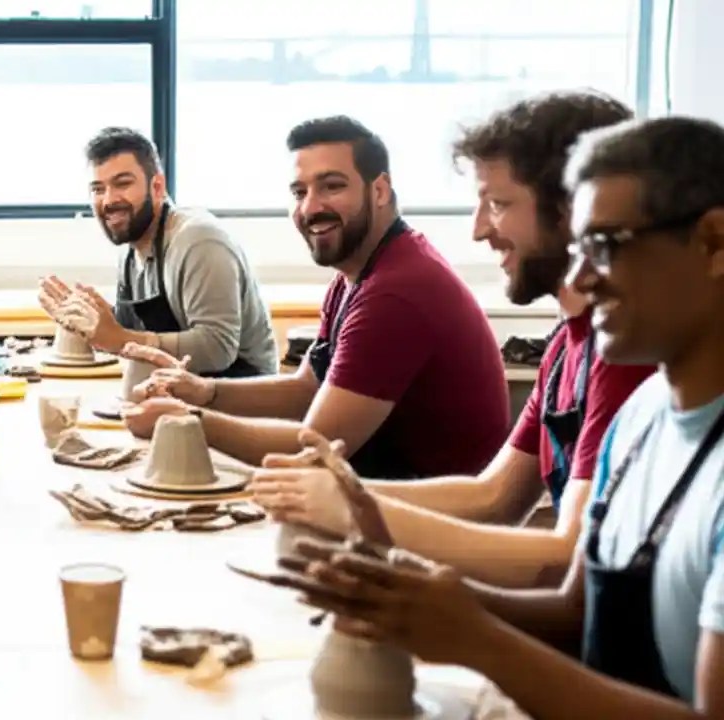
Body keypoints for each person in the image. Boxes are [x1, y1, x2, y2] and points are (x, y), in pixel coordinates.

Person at [280, 116, 724, 717]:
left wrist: (477, 640)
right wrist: (417, 595)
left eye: (607, 247)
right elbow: (577, 611)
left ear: (713, 244)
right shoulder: (644, 414)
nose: (583, 277)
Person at [252, 92, 654, 587]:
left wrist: (353, 512)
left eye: (499, 204)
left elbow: (564, 555)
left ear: (575, 208)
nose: (478, 229)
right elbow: (495, 497)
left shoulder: (628, 355)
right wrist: (342, 494)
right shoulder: (566, 344)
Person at [123, 116, 509, 479]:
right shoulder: (356, 275)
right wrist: (203, 391)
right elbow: (307, 388)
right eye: (299, 191)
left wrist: (188, 419)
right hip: (381, 490)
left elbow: (314, 450)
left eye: (332, 186)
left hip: (425, 521)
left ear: (379, 190)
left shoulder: (396, 292)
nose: (310, 208)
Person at [37, 127, 276, 384]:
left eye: (123, 184)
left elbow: (217, 348)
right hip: (173, 392)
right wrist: (94, 321)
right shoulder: (131, 248)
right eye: (98, 189)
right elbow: (132, 331)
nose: (108, 200)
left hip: (238, 398)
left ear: (158, 186)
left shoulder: (198, 240)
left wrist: (118, 339)